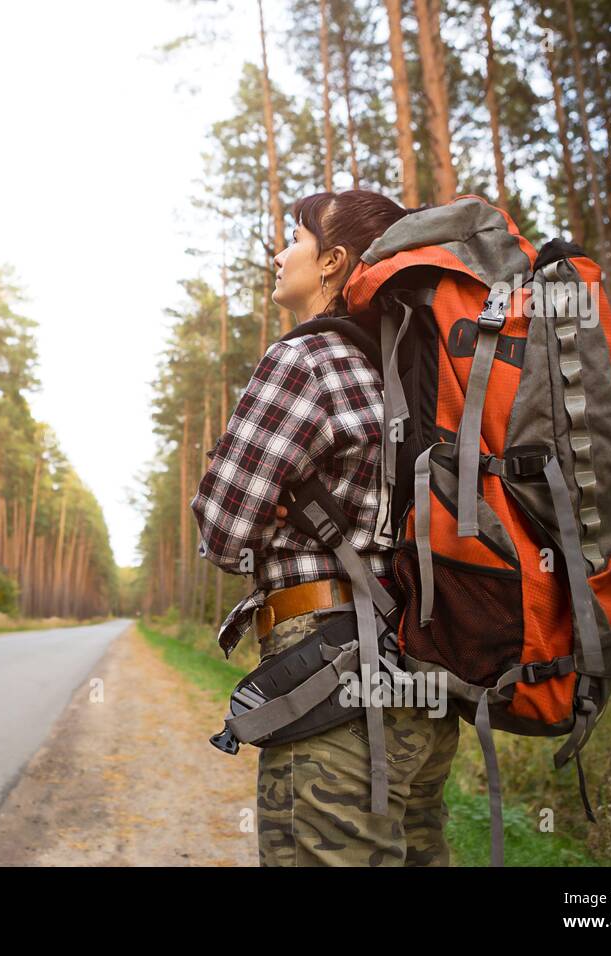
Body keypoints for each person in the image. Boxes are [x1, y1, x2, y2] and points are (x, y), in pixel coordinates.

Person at [190, 189, 461, 867]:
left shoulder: (307, 361)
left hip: (333, 687)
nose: (279, 255)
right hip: (423, 686)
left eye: (295, 239)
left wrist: (269, 509)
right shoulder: (418, 379)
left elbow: (222, 530)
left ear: (335, 261)